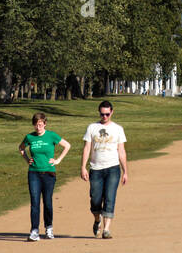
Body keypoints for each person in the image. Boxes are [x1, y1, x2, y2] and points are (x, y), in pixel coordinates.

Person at [81, 100, 128, 239]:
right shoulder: (92, 128)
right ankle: (97, 220)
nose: (105, 117)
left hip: (113, 168)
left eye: (107, 114)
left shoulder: (118, 129)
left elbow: (121, 151)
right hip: (96, 169)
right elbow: (87, 148)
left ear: (112, 112)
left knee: (110, 197)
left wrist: (125, 171)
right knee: (95, 199)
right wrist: (83, 167)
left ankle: (106, 229)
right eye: (102, 114)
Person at [19, 112, 70, 241]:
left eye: (40, 124)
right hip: (34, 173)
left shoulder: (51, 135)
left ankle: (49, 228)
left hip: (48, 173)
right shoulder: (30, 137)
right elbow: (21, 148)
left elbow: (67, 145)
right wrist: (27, 159)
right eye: (36, 125)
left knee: (47, 201)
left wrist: (57, 160)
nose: (38, 127)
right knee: (34, 201)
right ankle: (34, 231)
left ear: (45, 124)